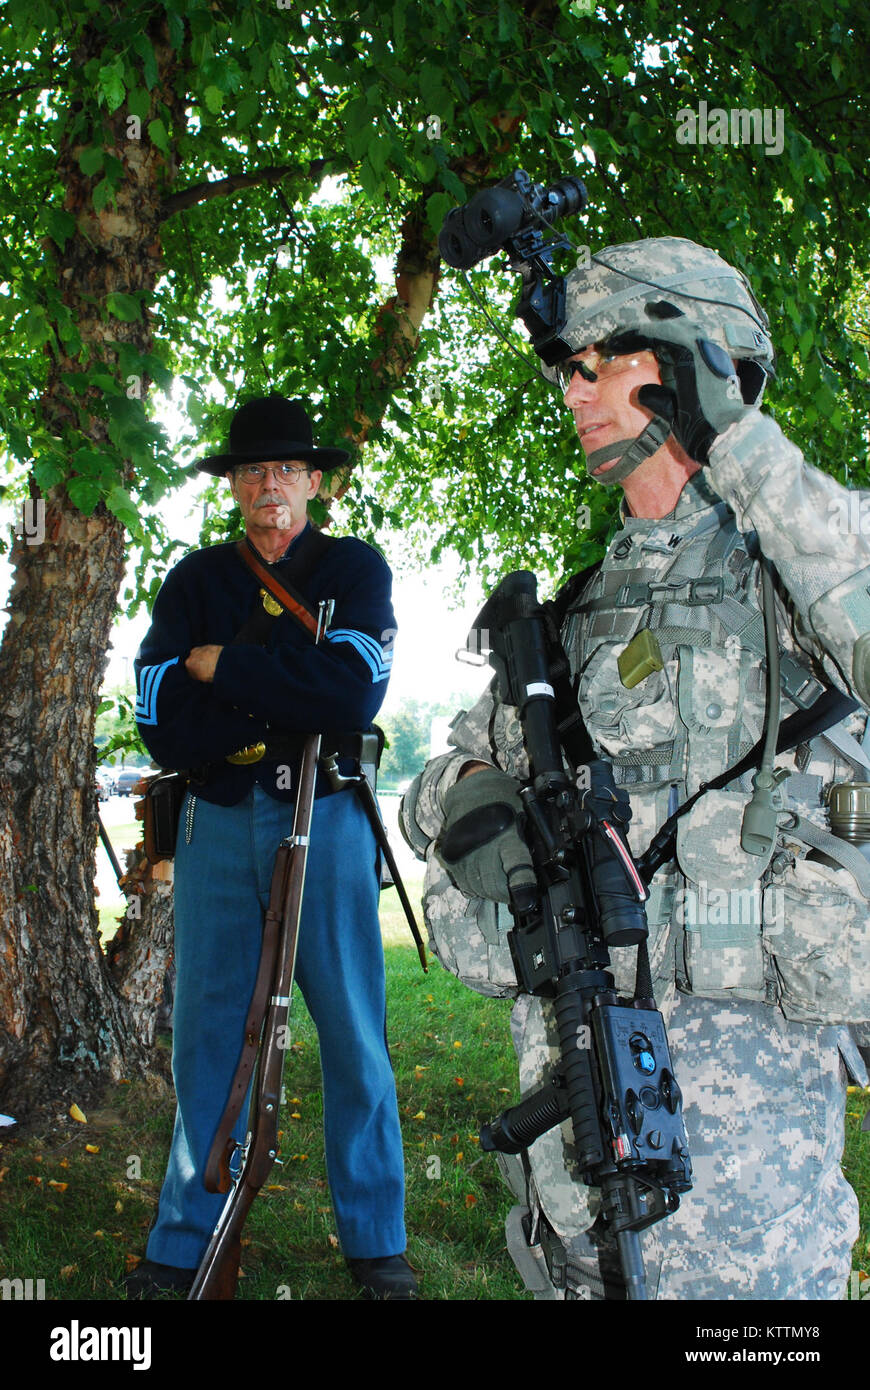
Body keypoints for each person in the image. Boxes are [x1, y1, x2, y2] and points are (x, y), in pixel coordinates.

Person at [402, 238, 870, 1300]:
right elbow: (449, 777)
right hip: (581, 1168)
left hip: (746, 1192)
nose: (574, 389)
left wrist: (742, 444)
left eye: (601, 360)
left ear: (690, 362)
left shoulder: (796, 577)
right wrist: (468, 797)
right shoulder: (572, 617)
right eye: (570, 366)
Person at [128, 394, 417, 1300]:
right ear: (236, 487)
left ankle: (377, 1244)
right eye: (252, 471)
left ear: (315, 482)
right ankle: (182, 1244)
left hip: (324, 818)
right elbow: (155, 710)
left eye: (285, 470)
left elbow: (354, 693)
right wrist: (278, 699)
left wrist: (224, 667)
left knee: (353, 1034)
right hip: (215, 820)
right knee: (205, 1035)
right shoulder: (194, 580)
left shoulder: (354, 570)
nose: (268, 486)